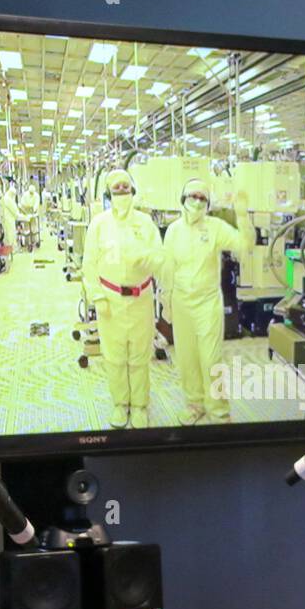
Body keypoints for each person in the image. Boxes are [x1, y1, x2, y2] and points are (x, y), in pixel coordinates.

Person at [159, 180, 253, 425]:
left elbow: (244, 245)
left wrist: (242, 217)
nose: (197, 201)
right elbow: (167, 269)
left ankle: (220, 412)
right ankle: (194, 405)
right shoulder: (173, 231)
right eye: (193, 196)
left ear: (208, 203)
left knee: (211, 359)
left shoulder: (215, 227)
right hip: (180, 303)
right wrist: (165, 303)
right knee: (186, 359)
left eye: (202, 198)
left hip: (207, 303)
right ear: (183, 198)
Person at [81, 168, 163, 429]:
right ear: (108, 194)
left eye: (125, 188)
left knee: (140, 356)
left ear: (133, 191)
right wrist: (97, 296)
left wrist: (149, 259)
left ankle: (139, 406)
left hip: (141, 298)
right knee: (115, 357)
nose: (121, 193)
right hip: (110, 300)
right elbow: (89, 265)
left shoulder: (145, 223)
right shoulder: (99, 225)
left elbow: (160, 258)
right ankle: (120, 404)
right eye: (115, 189)